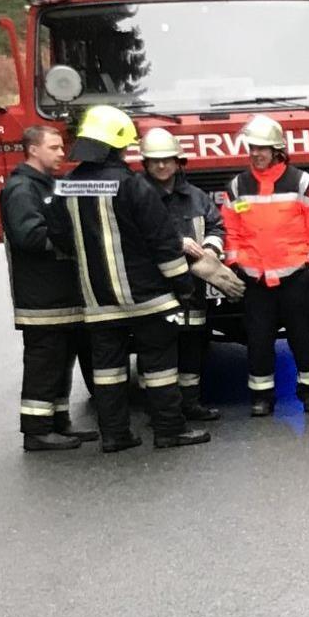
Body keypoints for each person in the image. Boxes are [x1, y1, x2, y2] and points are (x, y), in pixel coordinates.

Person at [47, 105, 210, 453]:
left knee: (107, 371)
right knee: (160, 367)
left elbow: (61, 239)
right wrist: (183, 285)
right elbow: (163, 242)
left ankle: (115, 435)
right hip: (149, 298)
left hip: (99, 301)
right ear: (118, 145)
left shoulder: (66, 187)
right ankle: (169, 430)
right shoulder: (133, 186)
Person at [219, 115, 309, 416]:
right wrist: (235, 262)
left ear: (278, 150)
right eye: (252, 147)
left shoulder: (304, 183)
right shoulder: (238, 186)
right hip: (255, 279)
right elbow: (231, 231)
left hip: (295, 277)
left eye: (263, 148)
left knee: (302, 338)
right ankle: (261, 396)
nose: (256, 153)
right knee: (258, 341)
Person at [0, 123, 91, 451]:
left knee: (62, 360)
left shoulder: (49, 185)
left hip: (60, 295)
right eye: (54, 148)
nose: (61, 153)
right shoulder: (23, 190)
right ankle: (37, 430)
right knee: (44, 362)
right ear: (33, 150)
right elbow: (31, 237)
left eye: (62, 147)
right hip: (41, 298)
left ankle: (59, 422)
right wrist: (74, 240)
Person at [141, 128, 236, 421]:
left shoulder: (195, 197)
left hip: (192, 287)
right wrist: (177, 243)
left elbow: (217, 226)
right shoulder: (138, 195)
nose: (161, 166)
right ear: (145, 163)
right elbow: (132, 236)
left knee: (193, 343)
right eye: (155, 161)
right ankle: (160, 408)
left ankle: (191, 403)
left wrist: (210, 249)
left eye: (167, 160)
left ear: (178, 162)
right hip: (154, 286)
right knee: (158, 349)